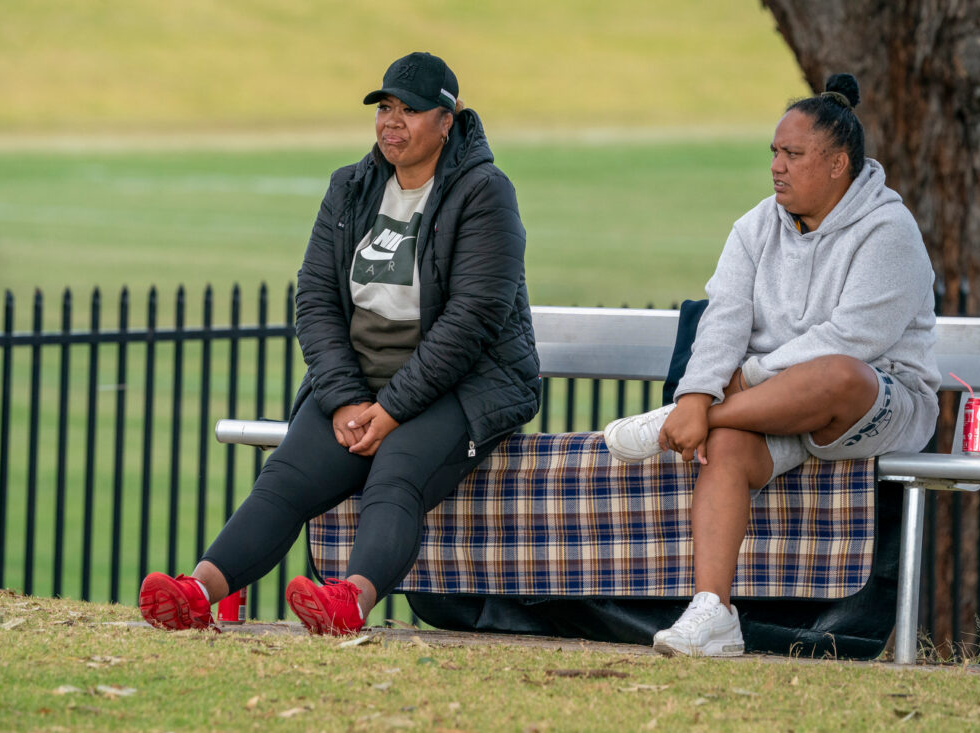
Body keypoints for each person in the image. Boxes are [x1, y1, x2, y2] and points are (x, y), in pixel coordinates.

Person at [138, 52, 540, 636]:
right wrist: (349, 398)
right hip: (361, 385)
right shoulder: (351, 187)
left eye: (410, 110)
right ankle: (197, 591)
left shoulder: (484, 193)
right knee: (288, 476)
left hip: (463, 385)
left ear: (448, 120)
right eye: (385, 108)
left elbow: (473, 320)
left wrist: (392, 408)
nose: (391, 122)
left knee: (394, 475)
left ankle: (348, 602)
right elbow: (317, 298)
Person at [603, 73, 939, 657]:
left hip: (876, 404)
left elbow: (855, 338)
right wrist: (697, 394)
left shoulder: (891, 231)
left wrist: (736, 387)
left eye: (793, 154)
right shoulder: (756, 224)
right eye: (774, 153)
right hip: (773, 413)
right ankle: (714, 614)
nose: (777, 166)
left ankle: (677, 426)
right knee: (728, 446)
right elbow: (724, 318)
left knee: (837, 370)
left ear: (838, 164)